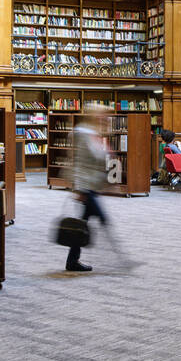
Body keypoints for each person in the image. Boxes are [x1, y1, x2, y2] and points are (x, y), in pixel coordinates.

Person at [65, 106, 110, 273]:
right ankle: (117, 257)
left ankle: (72, 260)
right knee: (102, 220)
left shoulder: (92, 133)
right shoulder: (83, 134)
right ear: (94, 116)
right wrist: (78, 189)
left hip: (91, 185)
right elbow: (78, 162)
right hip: (85, 187)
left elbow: (98, 158)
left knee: (83, 223)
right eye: (103, 116)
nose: (105, 119)